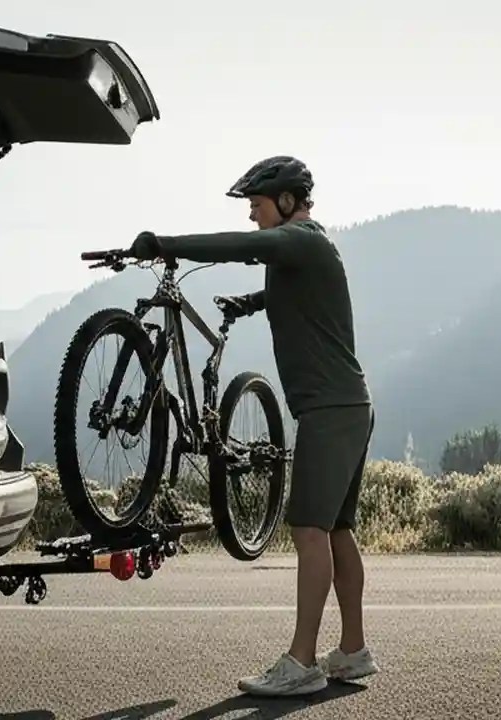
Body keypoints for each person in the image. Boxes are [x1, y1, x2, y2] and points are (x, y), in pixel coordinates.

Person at [127, 156, 379, 696]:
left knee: (309, 532)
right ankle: (353, 650)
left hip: (330, 411)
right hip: (349, 405)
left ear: (287, 201)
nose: (252, 218)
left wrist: (166, 243)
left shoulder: (301, 239)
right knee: (336, 531)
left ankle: (302, 662)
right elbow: (293, 289)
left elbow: (241, 249)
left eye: (257, 206)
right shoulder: (308, 251)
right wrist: (254, 302)